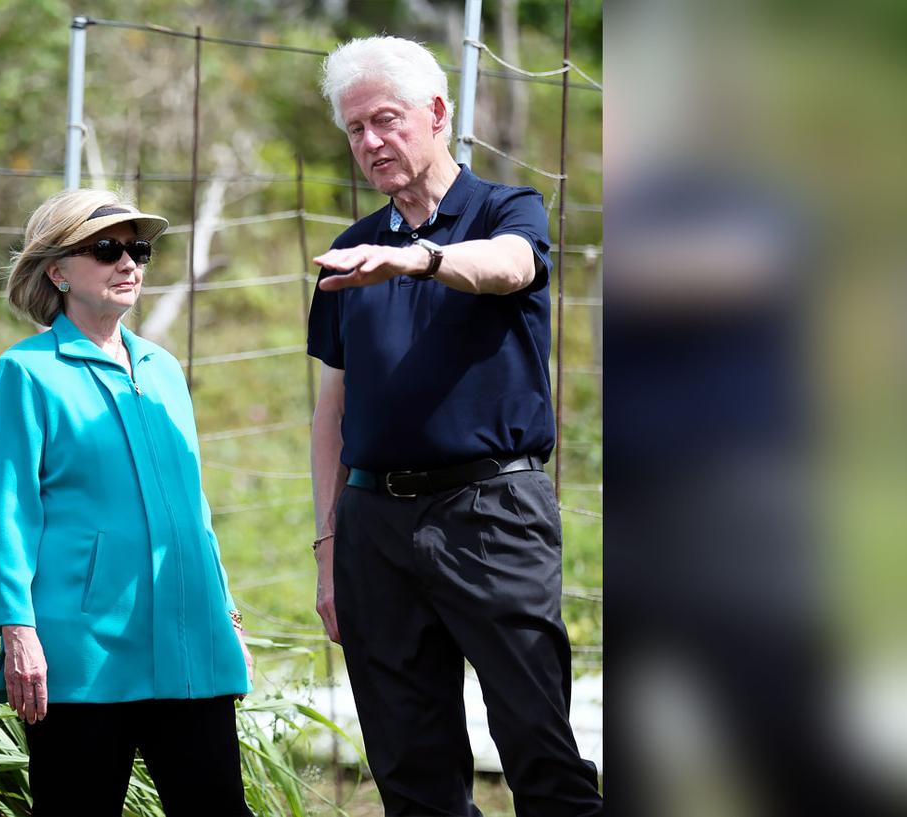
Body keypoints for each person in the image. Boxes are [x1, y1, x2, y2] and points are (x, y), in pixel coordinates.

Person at [306, 37, 603, 817]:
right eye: (355, 129)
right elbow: (332, 407)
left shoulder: (507, 209)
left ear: (437, 114)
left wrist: (416, 261)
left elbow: (509, 266)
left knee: (539, 747)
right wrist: (329, 547)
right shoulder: (348, 250)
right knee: (410, 769)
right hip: (374, 526)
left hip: (491, 516)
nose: (370, 142)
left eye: (386, 120)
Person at [0, 189, 255, 817]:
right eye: (106, 249)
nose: (128, 262)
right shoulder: (26, 372)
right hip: (83, 652)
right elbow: (7, 507)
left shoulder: (163, 369)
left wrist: (226, 617)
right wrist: (17, 631)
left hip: (188, 638)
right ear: (58, 271)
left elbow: (194, 509)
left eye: (138, 249)